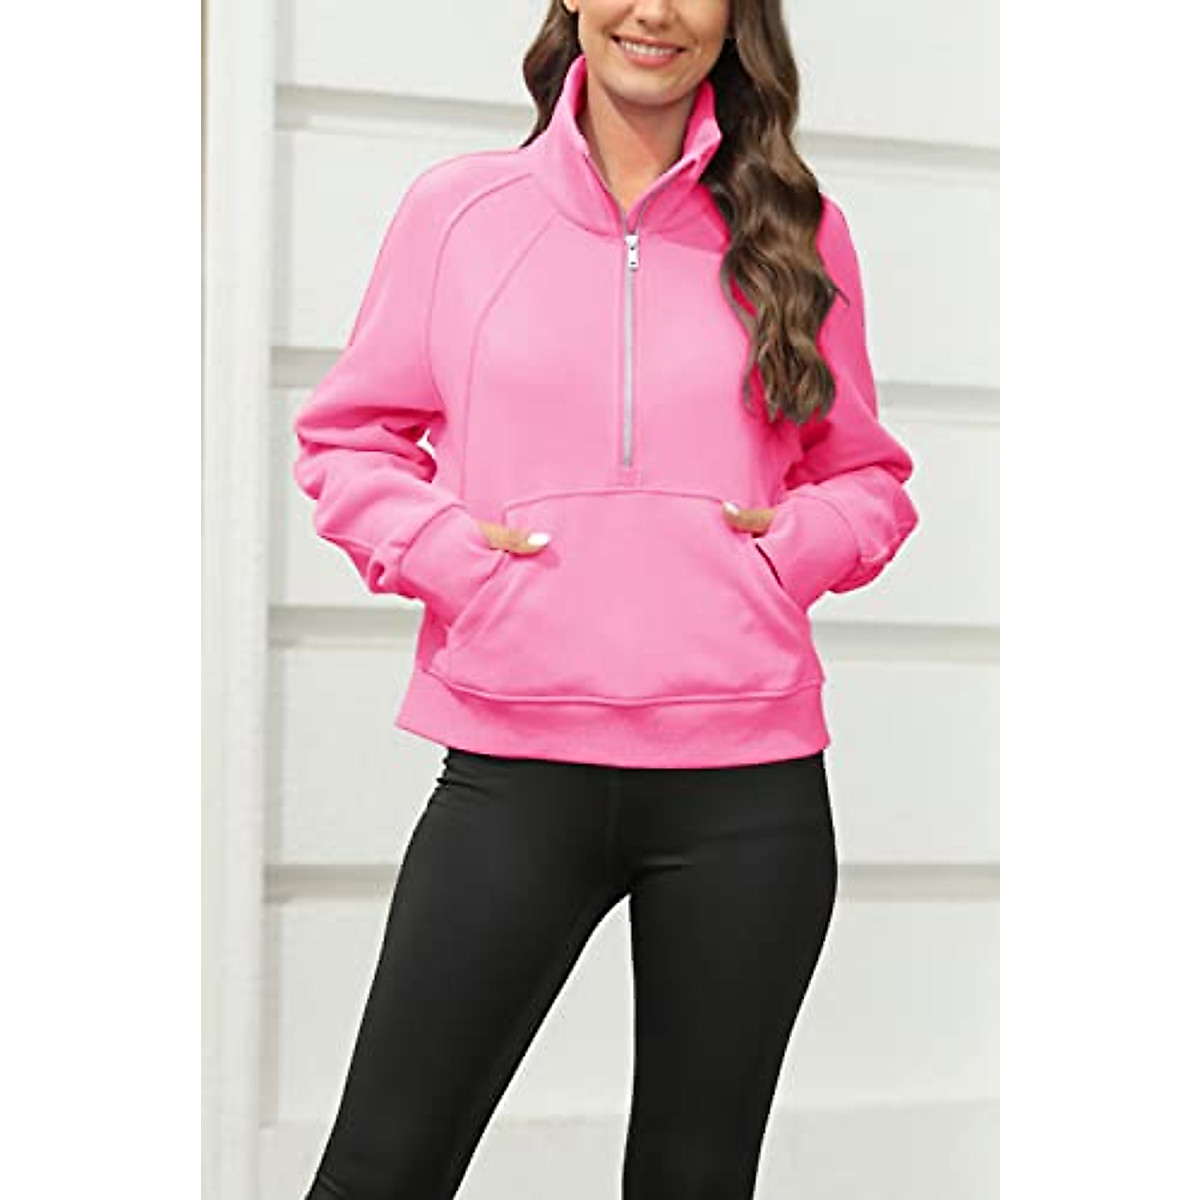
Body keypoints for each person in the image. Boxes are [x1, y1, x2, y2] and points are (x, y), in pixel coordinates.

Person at [291, 2, 919, 1197]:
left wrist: (785, 553)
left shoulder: (798, 229)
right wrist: (455, 559)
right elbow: (349, 439)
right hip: (513, 774)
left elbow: (867, 476)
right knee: (380, 1169)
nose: (657, 11)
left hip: (748, 797)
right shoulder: (460, 213)